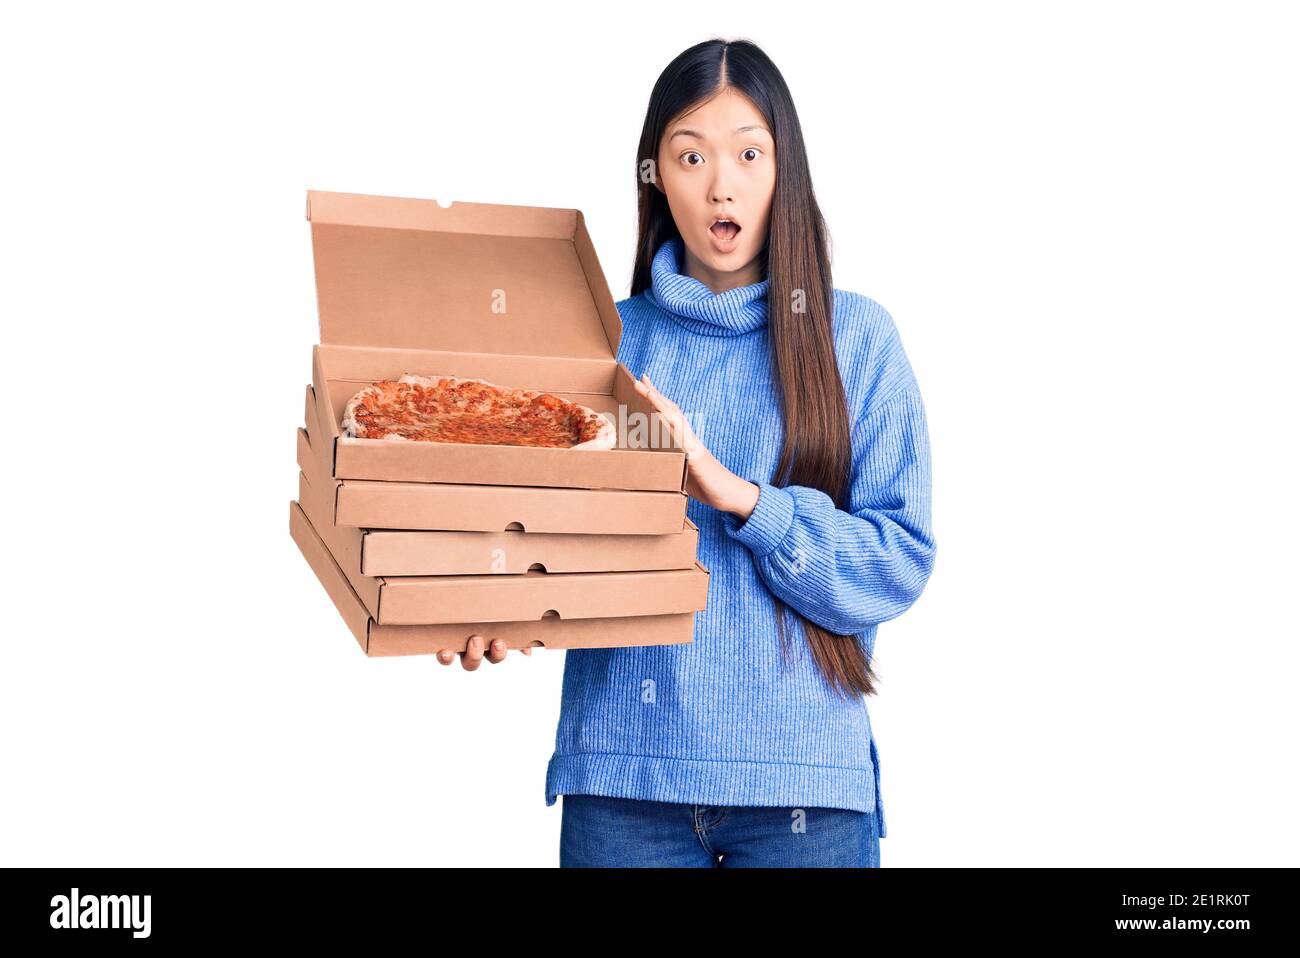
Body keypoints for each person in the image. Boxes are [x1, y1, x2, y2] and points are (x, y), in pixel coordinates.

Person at [439, 37, 936, 868]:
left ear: (786, 170)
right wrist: (488, 608)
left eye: (749, 152)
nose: (721, 183)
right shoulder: (605, 344)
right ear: (655, 176)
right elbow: (551, 544)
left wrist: (740, 496)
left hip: (802, 794)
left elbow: (897, 563)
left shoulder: (857, 340)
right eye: (690, 155)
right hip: (623, 791)